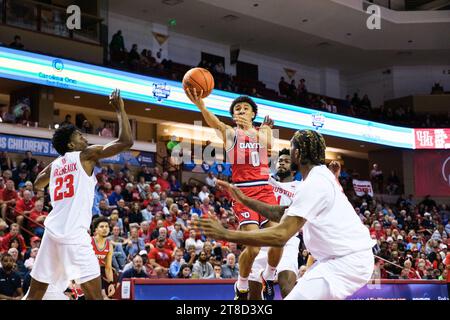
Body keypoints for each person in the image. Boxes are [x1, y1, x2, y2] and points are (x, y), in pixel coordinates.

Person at [201, 129, 375, 300]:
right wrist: (245, 200)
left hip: (346, 263)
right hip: (337, 260)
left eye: (291, 149)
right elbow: (282, 213)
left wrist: (225, 234)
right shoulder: (318, 177)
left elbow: (280, 236)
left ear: (297, 153)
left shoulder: (314, 183)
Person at [26, 89, 133, 300]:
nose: (84, 138)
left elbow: (38, 183)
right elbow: (125, 142)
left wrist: (57, 169)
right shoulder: (86, 155)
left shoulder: (54, 165)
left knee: (35, 296)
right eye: (79, 136)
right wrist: (120, 109)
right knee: (96, 298)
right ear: (71, 145)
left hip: (51, 233)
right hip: (74, 235)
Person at [186, 89, 282, 300]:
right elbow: (214, 123)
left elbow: (268, 144)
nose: (241, 110)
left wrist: (254, 129)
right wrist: (201, 106)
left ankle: (269, 275)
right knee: (254, 249)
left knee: (278, 239)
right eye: (237, 109)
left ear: (253, 115)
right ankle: (242, 284)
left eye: (245, 108)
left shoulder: (264, 130)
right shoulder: (231, 133)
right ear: (233, 115)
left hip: (265, 191)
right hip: (243, 193)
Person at [248, 148, 302, 299]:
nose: (281, 163)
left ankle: (271, 277)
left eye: (286, 161)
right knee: (253, 295)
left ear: (294, 168)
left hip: (287, 239)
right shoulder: (267, 181)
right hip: (264, 237)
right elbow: (254, 163)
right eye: (280, 161)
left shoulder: (300, 186)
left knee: (287, 288)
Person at [91, 216, 115, 299]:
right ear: (96, 230)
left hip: (98, 273)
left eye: (107, 226)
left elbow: (108, 268)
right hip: (84, 272)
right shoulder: (88, 242)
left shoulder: (109, 246)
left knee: (106, 295)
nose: (105, 229)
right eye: (101, 227)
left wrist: (111, 283)